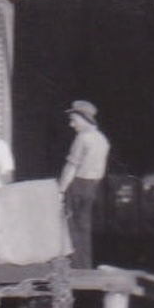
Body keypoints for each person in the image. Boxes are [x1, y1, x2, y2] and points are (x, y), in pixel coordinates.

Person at [58, 99, 110, 269]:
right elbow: (100, 173)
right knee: (84, 228)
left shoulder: (82, 138)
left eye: (74, 120)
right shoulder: (102, 140)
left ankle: (73, 267)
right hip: (91, 187)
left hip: (77, 185)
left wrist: (61, 190)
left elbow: (71, 166)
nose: (72, 125)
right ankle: (85, 266)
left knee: (71, 227)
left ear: (83, 118)